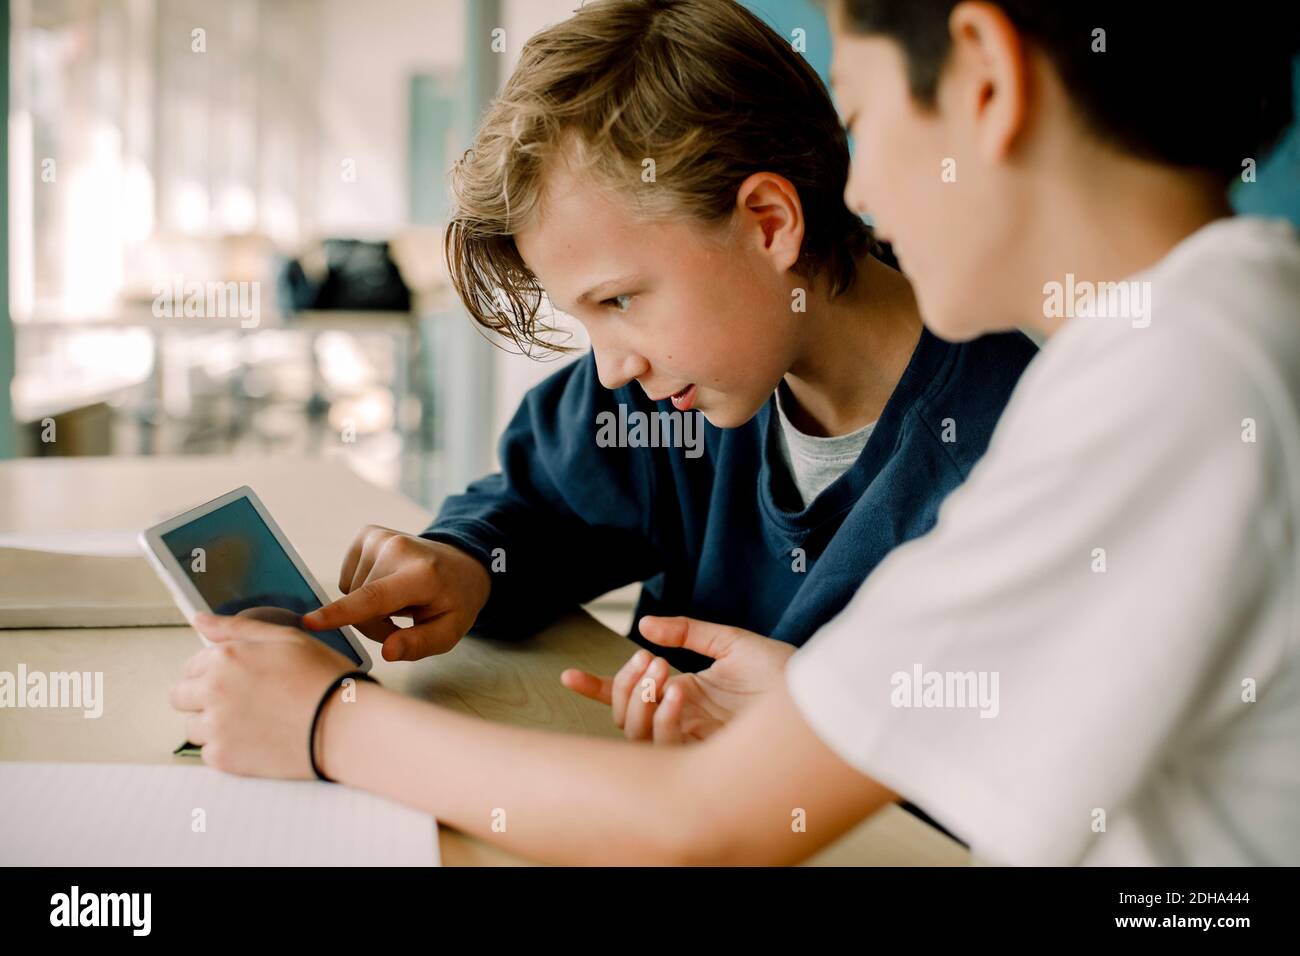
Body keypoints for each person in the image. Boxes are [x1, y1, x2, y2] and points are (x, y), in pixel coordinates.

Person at [174, 0, 1300, 865]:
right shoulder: (1197, 340)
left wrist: (325, 721)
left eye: (856, 117)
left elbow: (703, 824)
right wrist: (826, 704)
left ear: (985, 81)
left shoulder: (1169, 380)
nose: (856, 182)